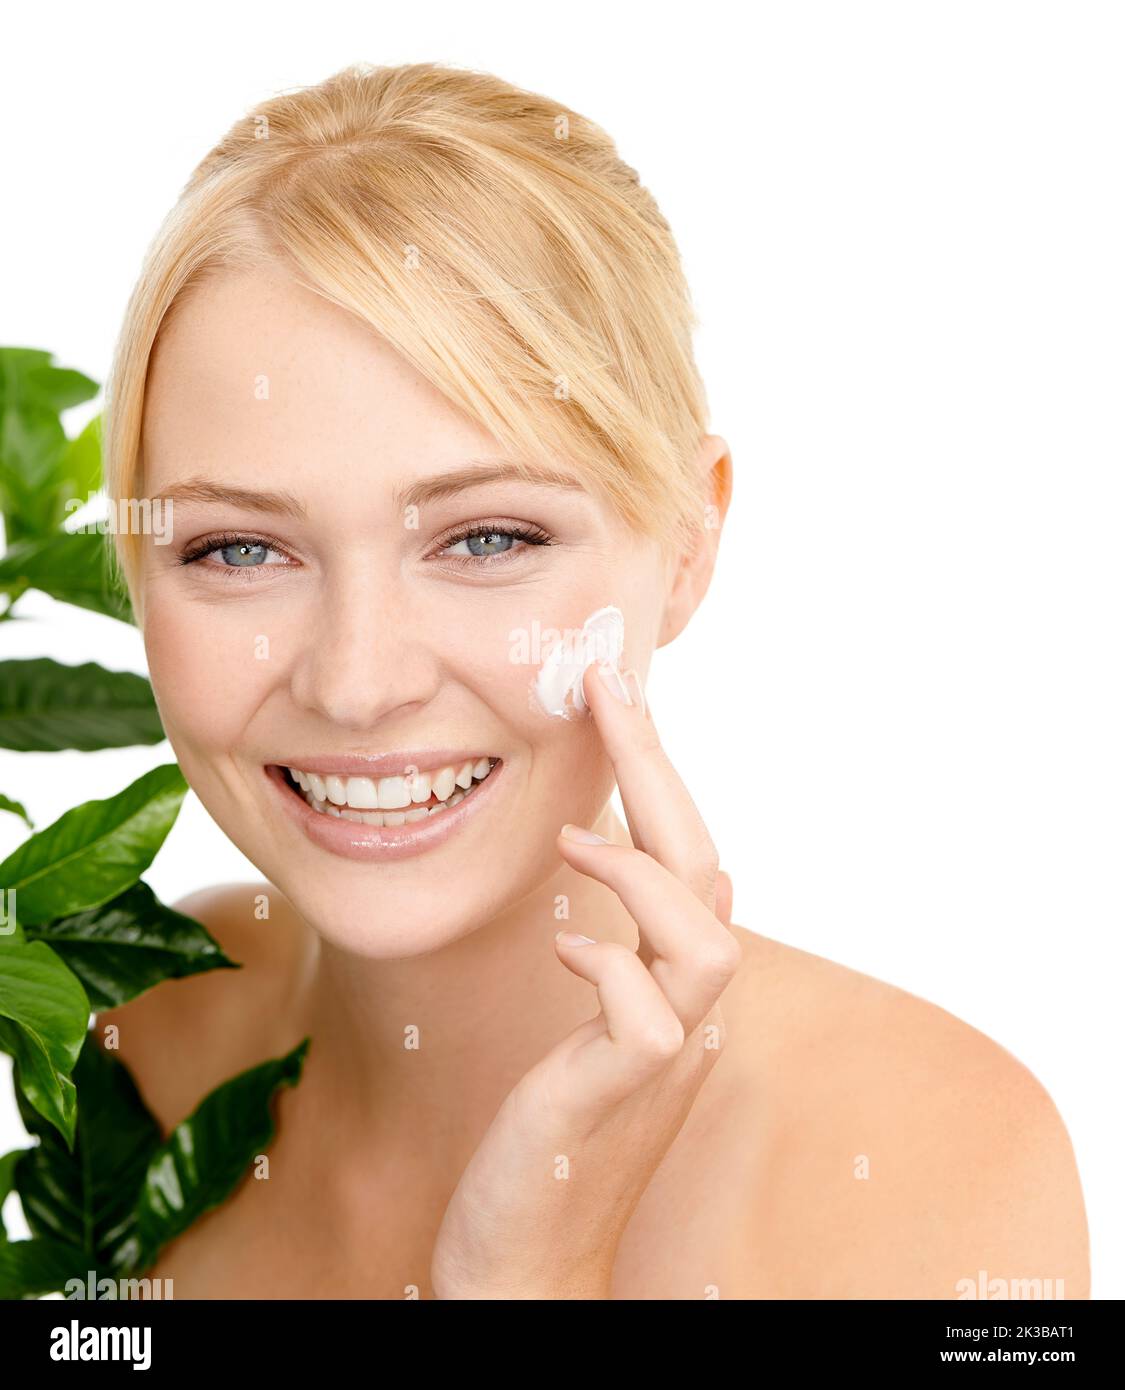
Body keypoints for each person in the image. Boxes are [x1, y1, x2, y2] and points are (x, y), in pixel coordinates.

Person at [96, 60, 1089, 1299]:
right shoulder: (148, 1021)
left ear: (687, 542)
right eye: (239, 548)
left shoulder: (939, 1157)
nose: (358, 683)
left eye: (488, 539)